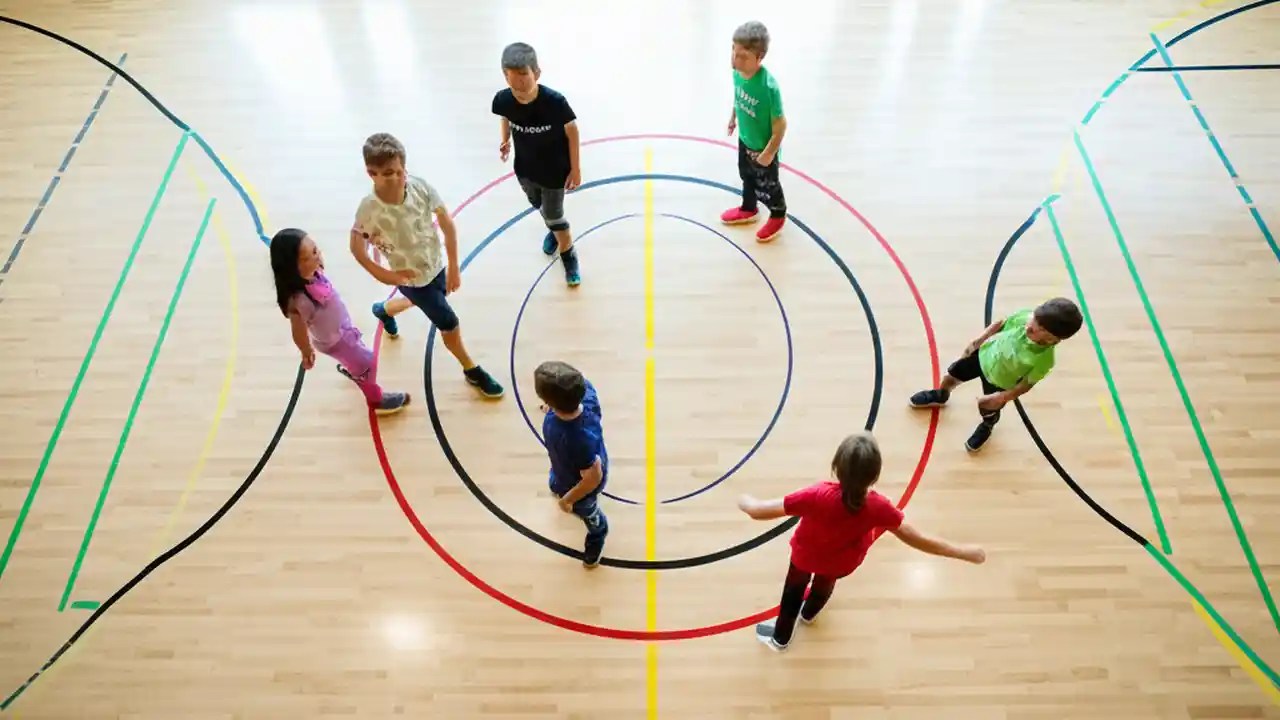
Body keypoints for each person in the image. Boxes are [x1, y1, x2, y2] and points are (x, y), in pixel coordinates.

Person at [738, 432, 986, 651]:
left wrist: (745, 501)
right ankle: (810, 613)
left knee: (792, 591)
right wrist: (964, 552)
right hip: (841, 563)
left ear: (836, 467)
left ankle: (781, 637)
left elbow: (759, 511)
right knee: (825, 585)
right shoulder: (880, 507)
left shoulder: (816, 495)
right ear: (875, 475)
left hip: (805, 556)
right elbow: (918, 539)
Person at [351, 132, 504, 399]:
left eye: (400, 171)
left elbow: (446, 223)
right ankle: (471, 369)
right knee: (448, 321)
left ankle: (383, 310)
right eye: (387, 174)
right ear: (371, 173)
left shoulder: (419, 187)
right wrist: (387, 276)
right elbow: (356, 248)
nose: (397, 178)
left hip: (435, 265)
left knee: (430, 298)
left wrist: (454, 266)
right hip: (409, 278)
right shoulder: (369, 209)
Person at [909, 297, 1084, 452]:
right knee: (950, 377)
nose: (1031, 326)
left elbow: (1027, 385)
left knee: (988, 408)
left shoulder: (1044, 360)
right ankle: (941, 395)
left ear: (1054, 339)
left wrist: (1002, 397)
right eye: (1035, 319)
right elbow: (1001, 323)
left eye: (1040, 328)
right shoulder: (1026, 317)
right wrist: (979, 340)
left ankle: (987, 424)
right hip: (982, 356)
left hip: (1000, 381)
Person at [269, 228, 410, 415]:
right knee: (368, 362)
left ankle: (354, 369)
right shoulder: (299, 301)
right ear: (293, 267)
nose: (318, 255)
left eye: (316, 249)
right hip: (335, 341)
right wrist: (306, 351)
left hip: (343, 329)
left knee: (358, 358)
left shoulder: (313, 274)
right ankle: (375, 399)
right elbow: (298, 330)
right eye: (310, 255)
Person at [493, 42, 583, 286]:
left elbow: (572, 131)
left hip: (555, 173)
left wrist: (576, 168)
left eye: (525, 78)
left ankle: (568, 254)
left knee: (555, 215)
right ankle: (555, 231)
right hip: (525, 170)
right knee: (539, 207)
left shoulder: (555, 102)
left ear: (537, 73)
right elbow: (506, 116)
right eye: (513, 82)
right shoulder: (503, 100)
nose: (519, 89)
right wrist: (505, 140)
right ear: (505, 76)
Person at [535, 360, 608, 568]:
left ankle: (598, 533)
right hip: (564, 468)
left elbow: (593, 478)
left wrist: (568, 500)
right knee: (558, 477)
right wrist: (551, 406)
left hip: (579, 486)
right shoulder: (586, 393)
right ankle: (558, 483)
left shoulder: (578, 440)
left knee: (587, 510)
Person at [721, 20, 787, 243]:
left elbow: (781, 125)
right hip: (745, 140)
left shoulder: (769, 88)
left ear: (759, 58)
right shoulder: (737, 73)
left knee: (769, 185)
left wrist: (769, 153)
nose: (735, 60)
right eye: (734, 51)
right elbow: (739, 98)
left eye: (743, 56)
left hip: (762, 148)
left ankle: (778, 214)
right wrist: (733, 117)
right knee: (746, 177)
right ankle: (749, 209)